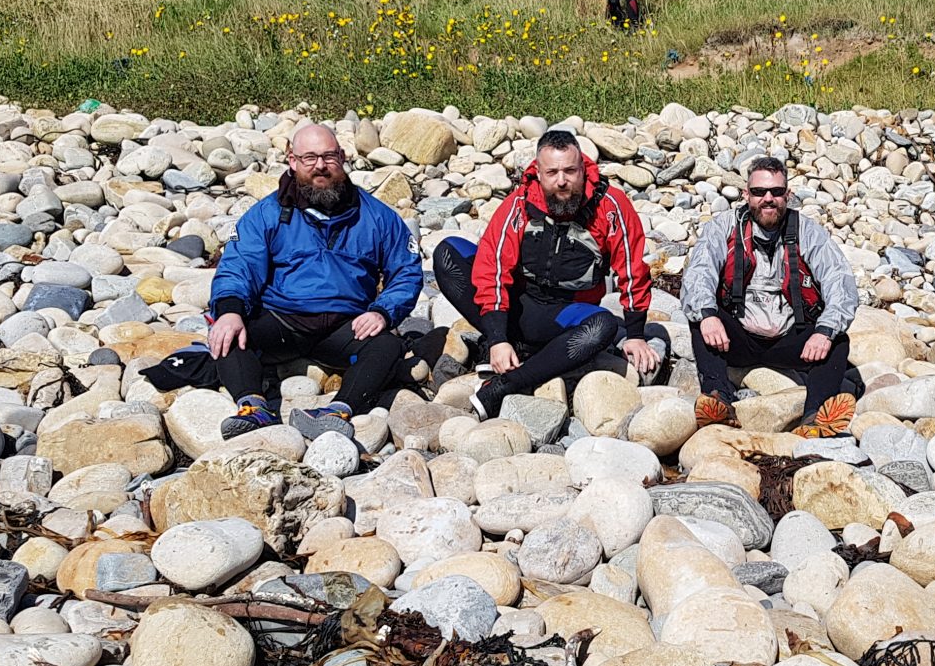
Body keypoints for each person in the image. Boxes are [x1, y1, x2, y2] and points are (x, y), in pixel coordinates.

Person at [207, 123, 422, 439]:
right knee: (227, 331)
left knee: (388, 345)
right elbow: (239, 267)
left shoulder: (377, 216)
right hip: (282, 321)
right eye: (309, 158)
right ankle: (254, 407)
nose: (320, 166)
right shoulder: (266, 214)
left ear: (343, 157)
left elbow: (406, 270)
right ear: (292, 161)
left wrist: (382, 311)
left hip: (345, 326)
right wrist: (229, 310)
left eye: (328, 157)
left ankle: (337, 410)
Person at [432, 128, 658, 419]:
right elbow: (493, 267)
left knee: (604, 325)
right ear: (538, 173)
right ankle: (505, 348)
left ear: (583, 169)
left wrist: (637, 334)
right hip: (517, 307)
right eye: (552, 173)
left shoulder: (610, 206)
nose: (562, 181)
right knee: (447, 253)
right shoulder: (519, 204)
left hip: (562, 318)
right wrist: (498, 337)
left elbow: (633, 269)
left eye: (570, 171)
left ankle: (508, 382)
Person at [680, 156, 861, 437]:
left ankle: (814, 415)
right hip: (737, 338)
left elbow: (841, 284)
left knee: (838, 340)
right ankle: (719, 399)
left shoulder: (808, 231)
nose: (768, 199)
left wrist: (824, 332)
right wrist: (707, 315)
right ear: (745, 194)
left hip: (792, 339)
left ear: (787, 195)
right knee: (701, 321)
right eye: (759, 192)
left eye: (776, 192)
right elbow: (699, 274)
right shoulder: (723, 228)